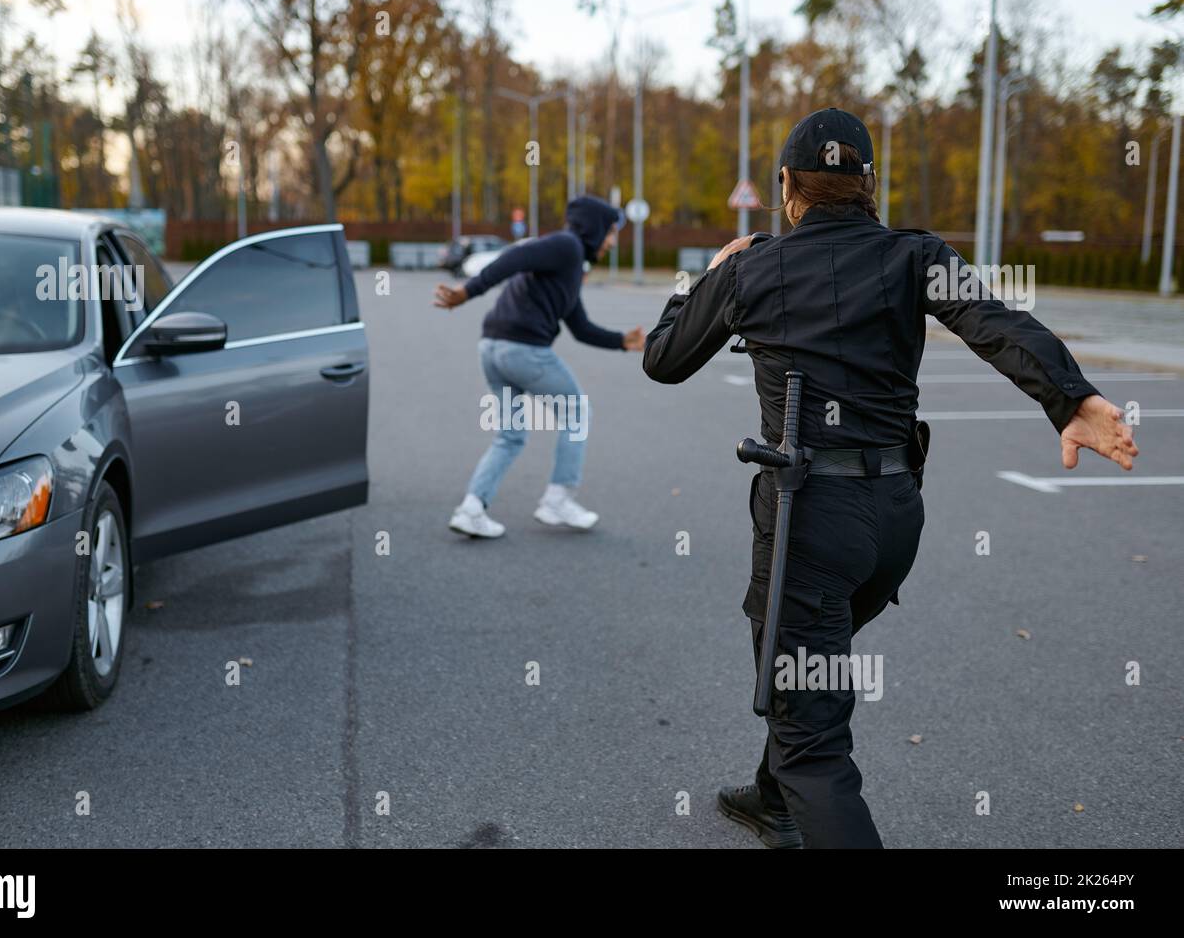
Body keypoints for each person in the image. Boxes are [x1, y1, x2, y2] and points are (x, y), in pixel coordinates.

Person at [641, 107, 1139, 849]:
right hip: (895, 520)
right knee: (805, 669)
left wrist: (704, 279)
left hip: (809, 522)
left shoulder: (751, 268)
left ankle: (794, 787)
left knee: (812, 729)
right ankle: (773, 802)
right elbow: (994, 321)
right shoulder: (916, 255)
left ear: (787, 187)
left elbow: (663, 359)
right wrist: (1072, 399)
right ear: (870, 185)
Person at [435, 195, 645, 538]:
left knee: (510, 435)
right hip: (522, 349)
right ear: (593, 229)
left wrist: (622, 341)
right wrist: (467, 292)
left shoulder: (568, 266)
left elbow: (580, 327)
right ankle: (557, 499)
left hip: (492, 348)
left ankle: (471, 508)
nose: (610, 242)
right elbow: (515, 256)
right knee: (577, 413)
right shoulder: (567, 246)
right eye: (609, 233)